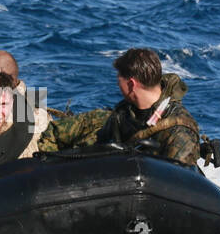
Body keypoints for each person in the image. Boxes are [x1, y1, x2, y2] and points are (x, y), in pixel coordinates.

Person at [38, 47, 202, 166]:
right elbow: (56, 133)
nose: (118, 87)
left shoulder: (180, 131)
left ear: (131, 84)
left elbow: (179, 186)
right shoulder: (122, 116)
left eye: (119, 82)